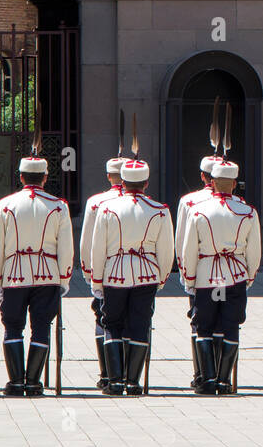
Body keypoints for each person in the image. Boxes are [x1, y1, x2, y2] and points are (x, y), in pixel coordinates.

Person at [0, 153, 74, 397]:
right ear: (45, 177)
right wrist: (64, 278)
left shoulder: (5, 204)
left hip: (14, 275)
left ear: (21, 176)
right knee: (41, 327)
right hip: (47, 276)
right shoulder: (59, 206)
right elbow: (65, 247)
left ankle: (16, 382)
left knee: (13, 327)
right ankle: (34, 383)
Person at [89, 156, 174, 396]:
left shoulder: (106, 209)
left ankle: (115, 381)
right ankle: (133, 382)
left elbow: (99, 248)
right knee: (139, 324)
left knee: (112, 324)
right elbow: (166, 250)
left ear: (122, 182)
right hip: (146, 275)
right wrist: (162, 276)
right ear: (146, 183)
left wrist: (97, 279)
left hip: (114, 274)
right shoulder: (160, 210)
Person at [179, 160, 261, 395]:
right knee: (230, 325)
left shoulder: (198, 210)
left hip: (208, 277)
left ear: (212, 183)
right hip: (234, 276)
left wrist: (190, 278)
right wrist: (250, 275)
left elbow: (189, 250)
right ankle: (224, 381)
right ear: (234, 184)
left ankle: (207, 379)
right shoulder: (248, 211)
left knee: (204, 326)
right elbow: (254, 250)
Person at [174, 154, 220, 390]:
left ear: (202, 176)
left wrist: (186, 274)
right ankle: (219, 376)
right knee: (223, 323)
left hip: (201, 271)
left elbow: (182, 241)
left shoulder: (189, 201)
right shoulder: (236, 202)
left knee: (199, 322)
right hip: (227, 274)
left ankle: (201, 373)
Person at [80, 156, 125, 389]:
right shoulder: (144, 203)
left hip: (106, 271)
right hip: (135, 273)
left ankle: (107, 372)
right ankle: (125, 373)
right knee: (131, 321)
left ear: (108, 176)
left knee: (104, 319)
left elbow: (87, 242)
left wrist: (89, 273)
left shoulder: (96, 202)